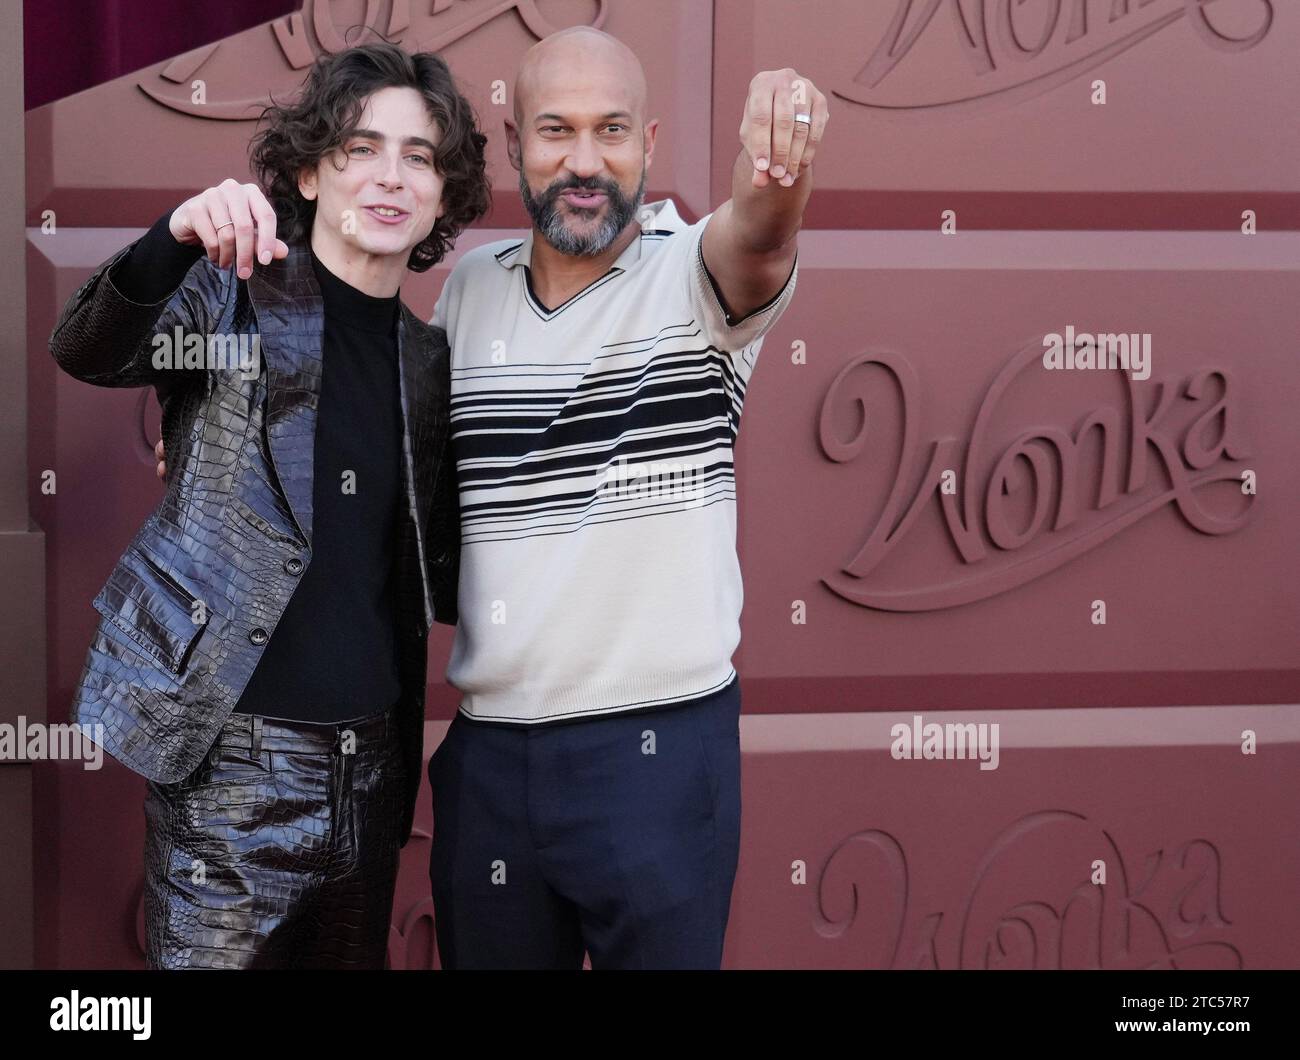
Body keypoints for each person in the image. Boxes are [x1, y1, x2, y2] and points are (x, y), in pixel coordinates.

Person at [48, 41, 488, 969]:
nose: (390, 176)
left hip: (371, 776)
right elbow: (85, 347)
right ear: (306, 171)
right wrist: (174, 233)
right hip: (227, 774)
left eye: (419, 157)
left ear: (444, 196)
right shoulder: (227, 293)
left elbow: (442, 566)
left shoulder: (430, 361)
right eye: (360, 148)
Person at [425, 28, 826, 968]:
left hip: (659, 753)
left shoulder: (694, 277)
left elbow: (762, 232)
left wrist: (778, 158)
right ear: (515, 142)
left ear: (648, 142)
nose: (584, 161)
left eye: (611, 132)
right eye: (555, 131)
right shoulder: (468, 292)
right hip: (491, 760)